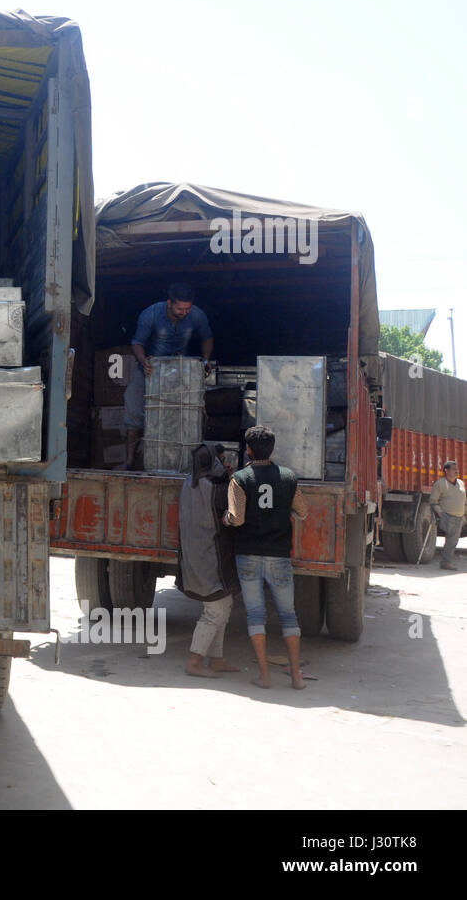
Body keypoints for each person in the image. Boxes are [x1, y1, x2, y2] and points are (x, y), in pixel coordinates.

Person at [222, 425, 309, 690]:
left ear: (248, 450)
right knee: (288, 615)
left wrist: (225, 519)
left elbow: (237, 518)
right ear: (272, 449)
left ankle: (264, 676)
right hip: (279, 555)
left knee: (255, 614)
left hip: (248, 554)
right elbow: (303, 512)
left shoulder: (240, 478)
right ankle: (296, 678)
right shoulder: (288, 477)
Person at [121, 282, 214, 470]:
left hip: (181, 372)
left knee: (185, 414)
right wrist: (143, 361)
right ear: (169, 303)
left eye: (187, 309)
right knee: (133, 408)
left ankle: (184, 464)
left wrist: (205, 360)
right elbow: (137, 343)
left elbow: (207, 337)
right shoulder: (151, 314)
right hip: (150, 369)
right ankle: (129, 461)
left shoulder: (197, 315)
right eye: (180, 308)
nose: (184, 312)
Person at [177, 443, 240, 678]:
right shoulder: (216, 490)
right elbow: (233, 505)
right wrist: (231, 477)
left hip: (194, 555)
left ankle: (217, 659)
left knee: (223, 605)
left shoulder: (189, 482)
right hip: (210, 557)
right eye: (222, 460)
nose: (226, 464)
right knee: (215, 610)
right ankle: (195, 661)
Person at [429, 459, 465, 571]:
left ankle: (446, 561)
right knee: (450, 540)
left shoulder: (461, 483)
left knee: (453, 541)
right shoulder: (440, 484)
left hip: (459, 516)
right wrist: (440, 512)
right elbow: (433, 500)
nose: (457, 471)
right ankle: (446, 562)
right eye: (454, 469)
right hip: (447, 516)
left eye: (457, 469)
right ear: (446, 470)